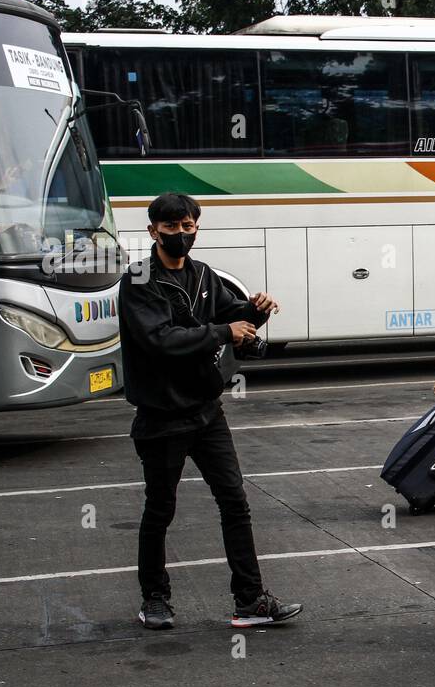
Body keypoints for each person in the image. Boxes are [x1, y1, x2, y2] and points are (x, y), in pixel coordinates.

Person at [119, 192, 302, 630]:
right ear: (153, 231)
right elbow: (160, 339)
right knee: (160, 509)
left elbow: (234, 317)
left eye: (188, 226)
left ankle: (251, 601)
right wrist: (224, 330)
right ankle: (154, 599)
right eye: (171, 227)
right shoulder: (139, 279)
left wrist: (255, 311)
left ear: (197, 229)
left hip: (206, 410)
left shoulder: (203, 275)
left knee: (235, 502)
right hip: (161, 415)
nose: (180, 234)